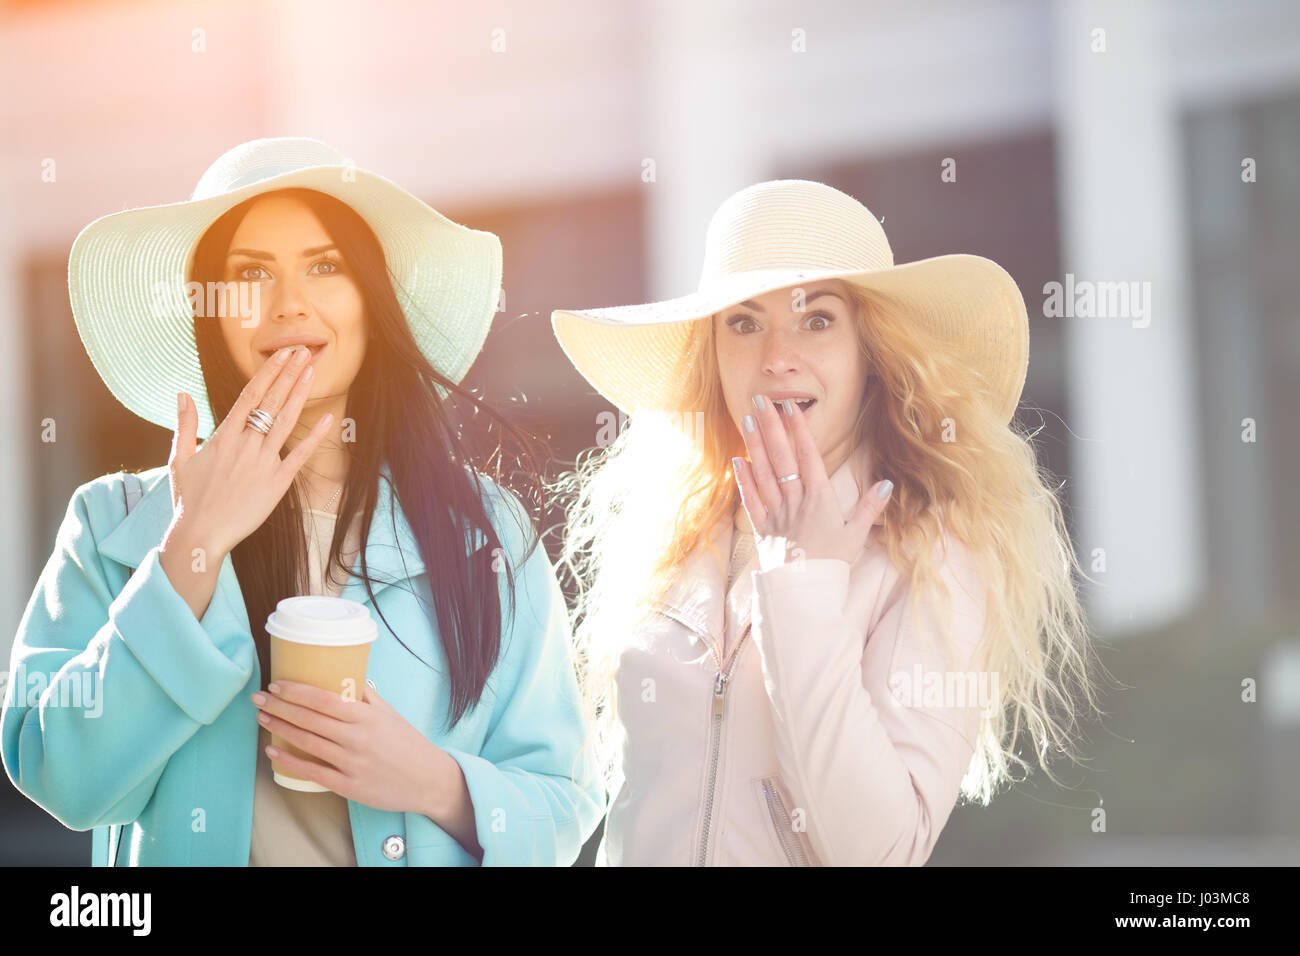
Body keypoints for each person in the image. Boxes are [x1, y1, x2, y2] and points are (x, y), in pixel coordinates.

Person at [2, 137, 602, 866]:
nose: (289, 304)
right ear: (212, 312)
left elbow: (565, 803)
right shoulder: (113, 522)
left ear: (370, 302)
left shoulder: (486, 531)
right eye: (249, 276)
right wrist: (193, 544)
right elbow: (62, 779)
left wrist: (431, 782)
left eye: (325, 266)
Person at [549, 179, 1107, 865]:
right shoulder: (674, 534)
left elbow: (877, 852)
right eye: (744, 322)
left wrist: (801, 581)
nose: (777, 355)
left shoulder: (933, 551)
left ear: (870, 353)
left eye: (817, 319)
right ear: (713, 353)